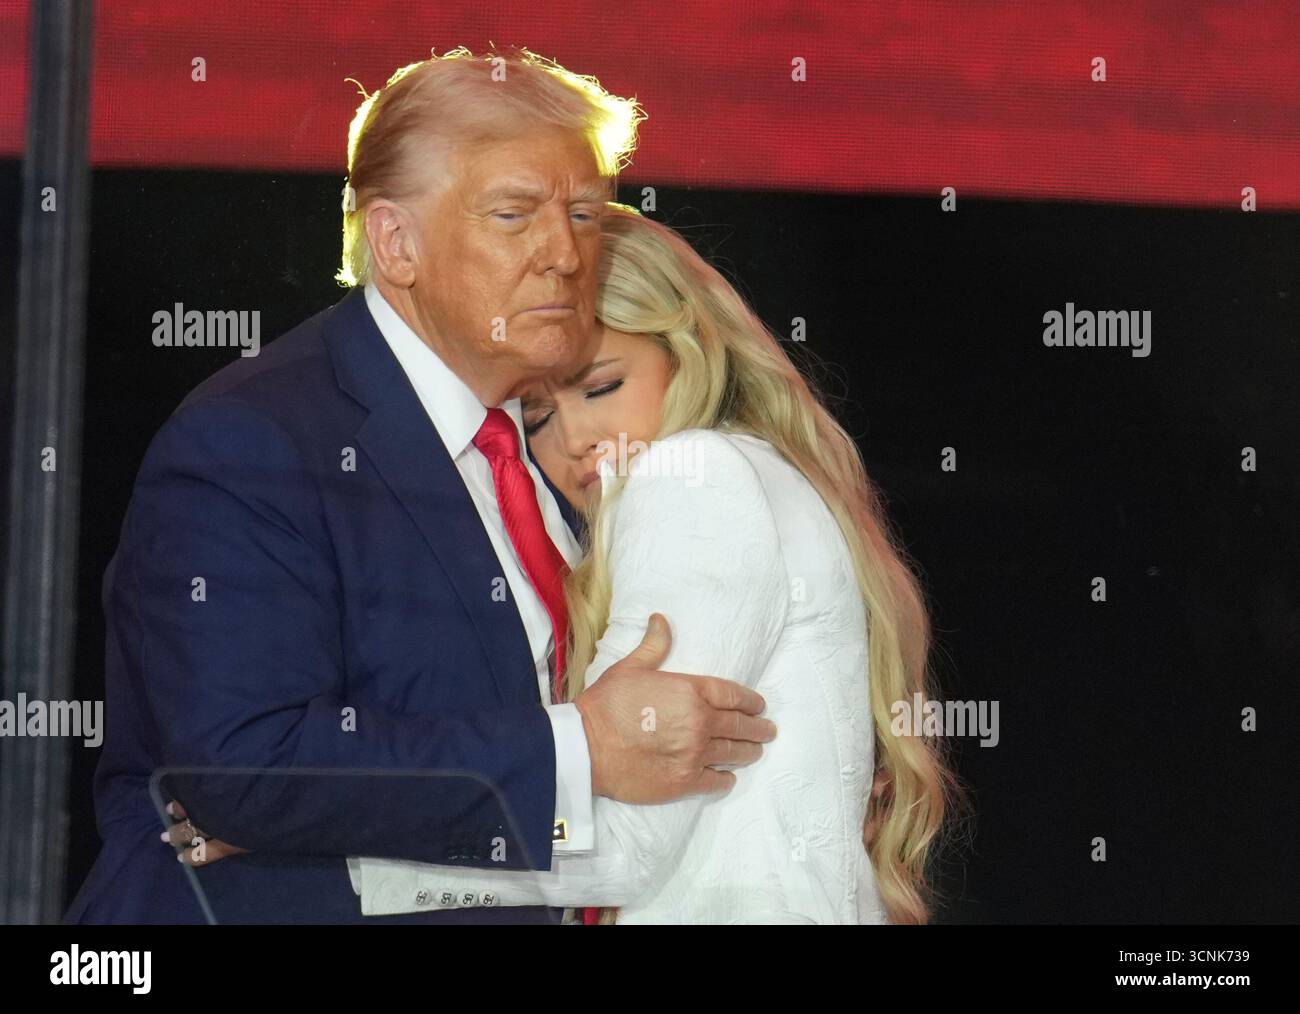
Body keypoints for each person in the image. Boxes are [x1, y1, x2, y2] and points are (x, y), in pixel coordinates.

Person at [64, 48, 777, 926]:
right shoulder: (252, 438)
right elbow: (238, 765)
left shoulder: (574, 461)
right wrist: (576, 749)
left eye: (585, 213)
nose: (564, 254)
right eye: (515, 215)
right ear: (396, 243)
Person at [180, 208, 967, 924]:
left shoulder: (692, 479)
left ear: (687, 347)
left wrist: (337, 849)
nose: (581, 439)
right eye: (541, 417)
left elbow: (623, 837)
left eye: (603, 386)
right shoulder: (754, 479)